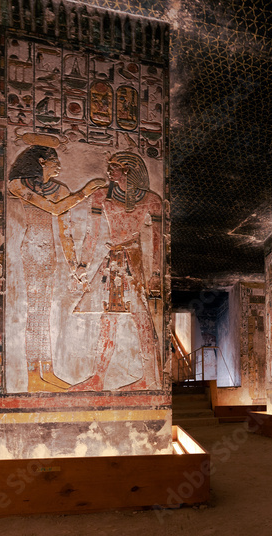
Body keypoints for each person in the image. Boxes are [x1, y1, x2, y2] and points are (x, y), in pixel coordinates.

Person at [6, 143, 106, 392]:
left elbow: (65, 232)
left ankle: (47, 371)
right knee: (34, 313)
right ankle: (33, 376)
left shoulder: (60, 190)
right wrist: (84, 192)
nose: (59, 165)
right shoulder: (18, 184)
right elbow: (52, 209)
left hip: (48, 251)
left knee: (44, 314)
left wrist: (76, 266)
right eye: (54, 160)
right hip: (31, 249)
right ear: (41, 162)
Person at [71, 151, 162, 392]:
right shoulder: (102, 196)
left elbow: (157, 240)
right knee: (107, 319)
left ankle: (150, 379)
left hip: (133, 262)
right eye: (109, 166)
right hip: (112, 263)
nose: (109, 170)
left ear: (128, 171)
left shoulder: (151, 200)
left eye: (114, 166)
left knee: (142, 319)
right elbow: (92, 233)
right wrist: (83, 264)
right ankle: (98, 378)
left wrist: (156, 274)